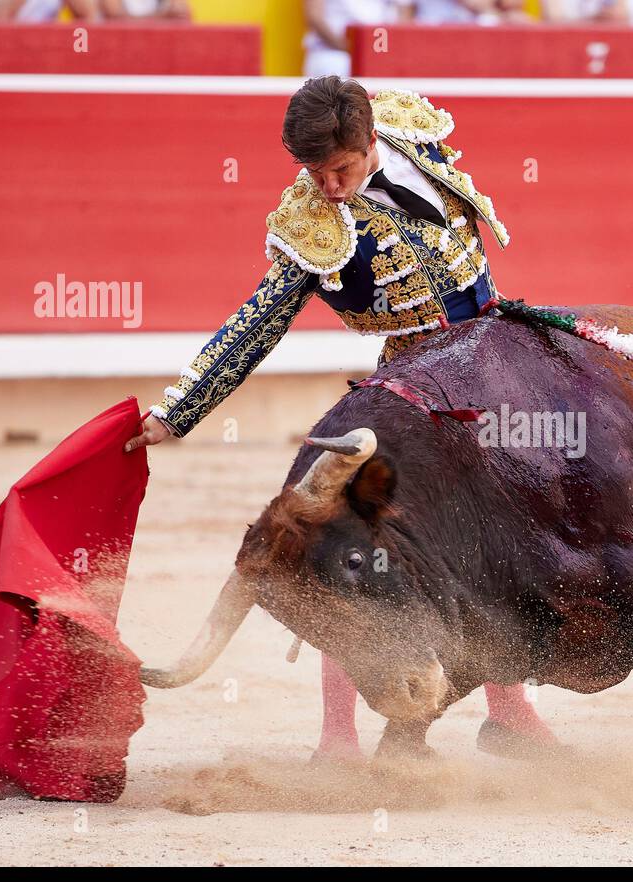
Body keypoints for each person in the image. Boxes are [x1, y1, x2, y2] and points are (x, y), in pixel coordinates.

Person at [124, 77, 560, 762]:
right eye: (312, 172)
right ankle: (337, 740)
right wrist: (179, 411)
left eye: (341, 169)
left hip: (494, 366)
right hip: (412, 390)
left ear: (368, 143)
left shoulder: (409, 130)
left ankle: (508, 710)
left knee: (498, 543)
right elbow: (255, 325)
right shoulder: (311, 224)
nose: (327, 185)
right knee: (354, 553)